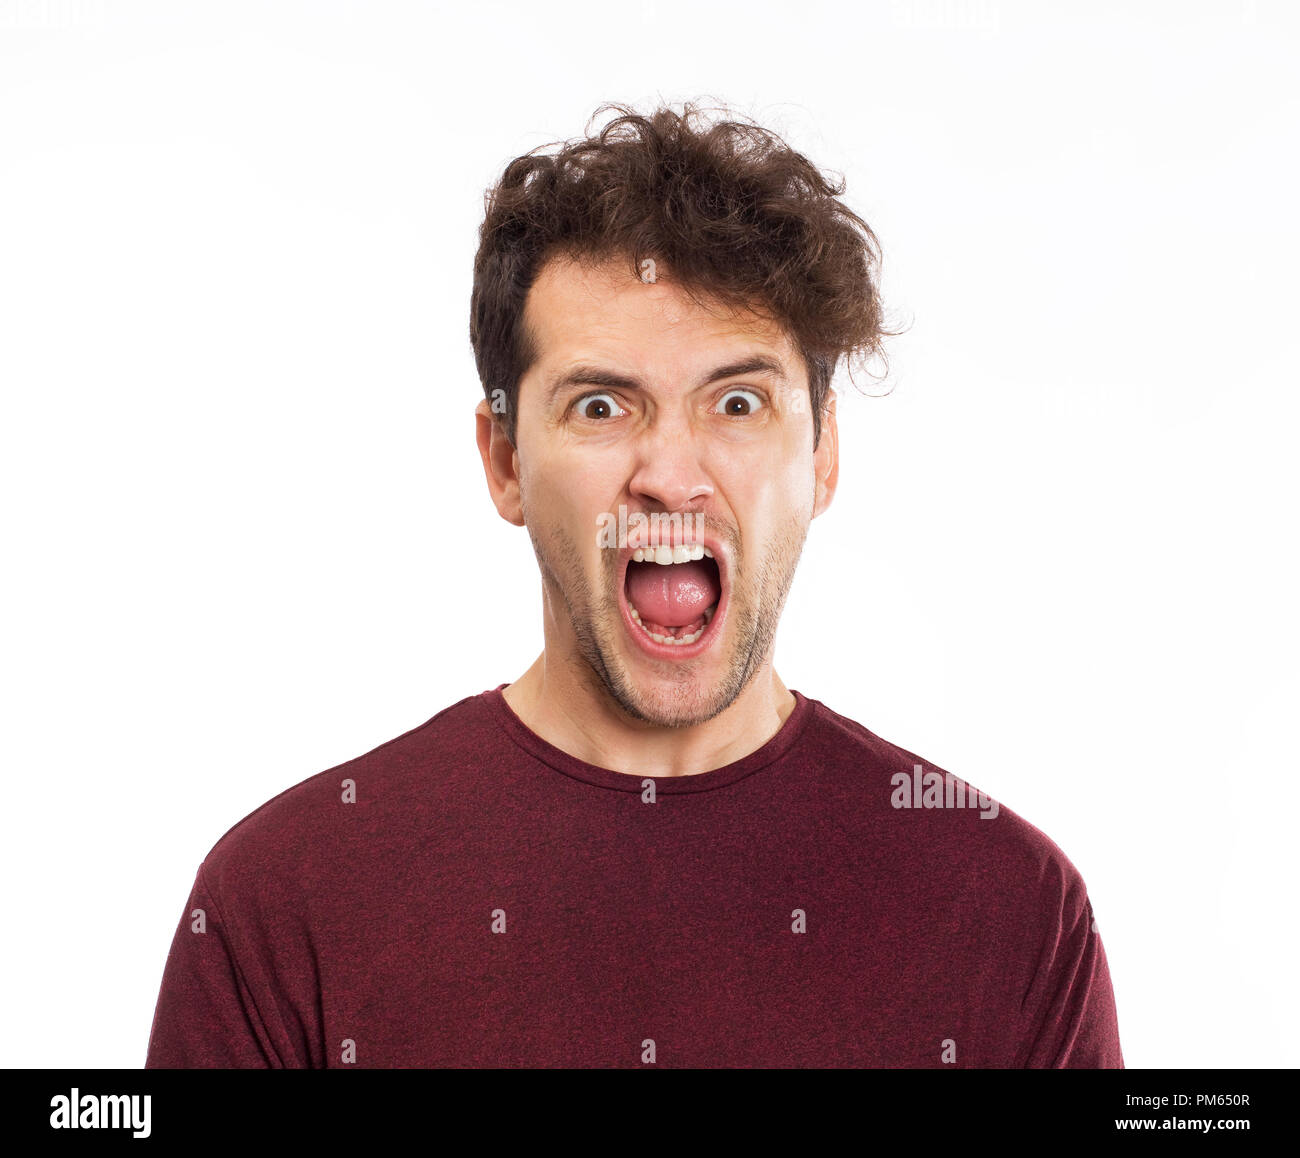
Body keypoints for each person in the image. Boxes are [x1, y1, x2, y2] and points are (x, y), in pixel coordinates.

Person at [145, 101, 1122, 1068]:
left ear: (821, 459)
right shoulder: (284, 907)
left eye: (737, 403)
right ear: (506, 463)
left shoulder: (1010, 913)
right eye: (602, 404)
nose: (670, 472)